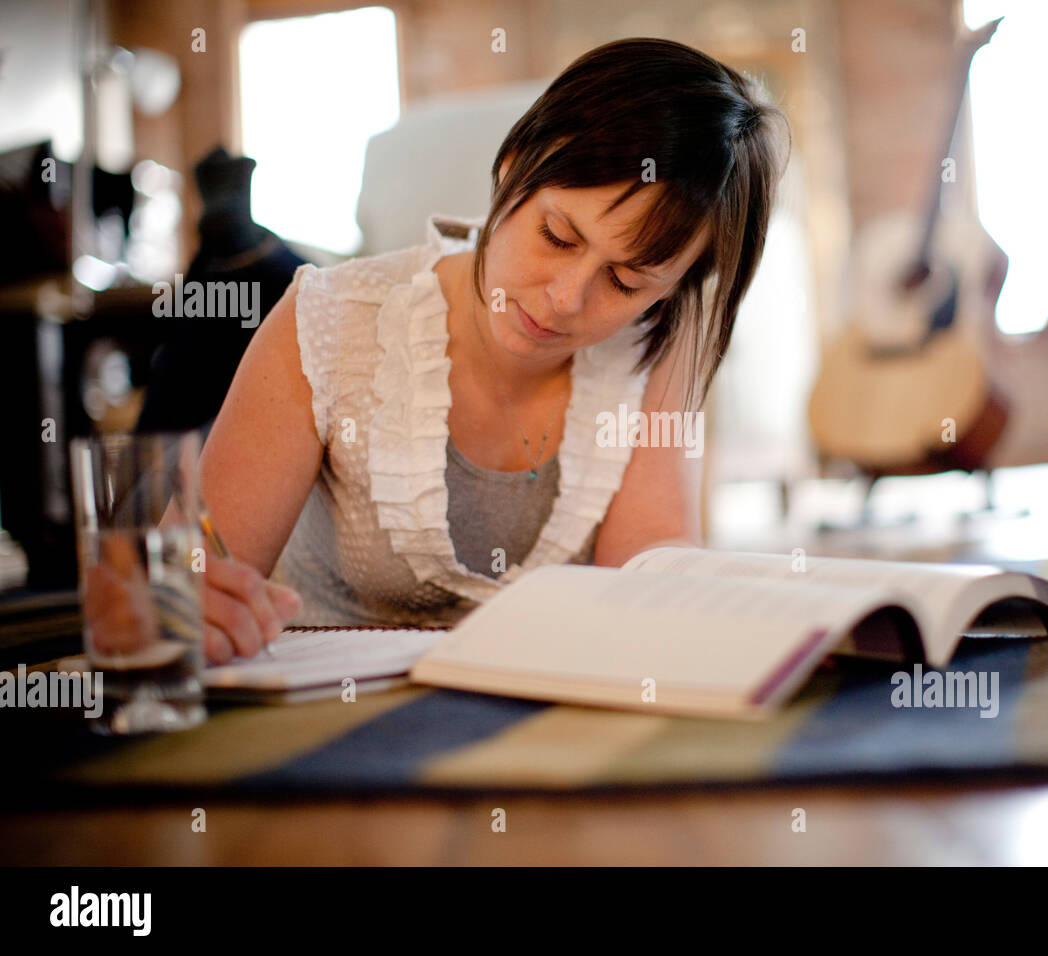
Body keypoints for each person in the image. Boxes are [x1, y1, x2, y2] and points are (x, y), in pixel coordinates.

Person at [192, 37, 790, 663]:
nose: (565, 298)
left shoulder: (656, 342)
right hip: (324, 719)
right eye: (557, 236)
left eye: (625, 281)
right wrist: (187, 601)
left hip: (537, 723)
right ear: (512, 167)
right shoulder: (328, 319)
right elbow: (186, 578)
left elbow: (645, 569)